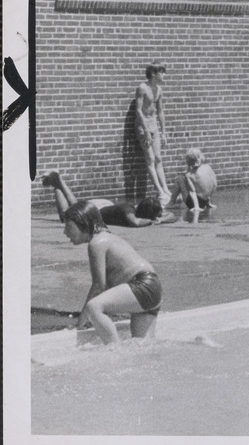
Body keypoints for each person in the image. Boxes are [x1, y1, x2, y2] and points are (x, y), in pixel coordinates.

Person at [62, 199, 163, 344]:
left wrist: (81, 320)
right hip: (153, 288)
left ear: (82, 223)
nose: (65, 232)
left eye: (68, 226)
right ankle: (197, 343)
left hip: (143, 285)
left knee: (94, 306)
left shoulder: (97, 243)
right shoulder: (108, 237)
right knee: (142, 346)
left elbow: (99, 286)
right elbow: (109, 289)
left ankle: (114, 353)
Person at [43, 170, 175, 227]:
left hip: (104, 205)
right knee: (67, 216)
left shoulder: (144, 207)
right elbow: (135, 223)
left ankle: (57, 183)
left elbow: (173, 216)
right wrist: (152, 221)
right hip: (96, 209)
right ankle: (58, 182)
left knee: (75, 206)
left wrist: (161, 220)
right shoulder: (128, 211)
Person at [134, 62, 169, 201]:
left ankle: (165, 189)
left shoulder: (159, 90)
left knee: (159, 158)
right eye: (162, 72)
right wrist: (146, 130)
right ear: (154, 74)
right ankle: (159, 191)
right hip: (143, 126)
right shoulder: (142, 88)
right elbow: (138, 110)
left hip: (154, 124)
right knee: (151, 158)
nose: (164, 75)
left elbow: (160, 111)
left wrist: (163, 132)